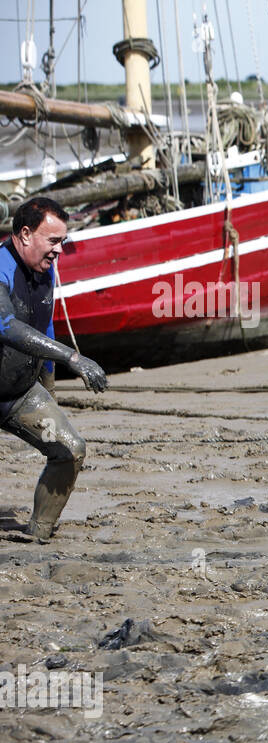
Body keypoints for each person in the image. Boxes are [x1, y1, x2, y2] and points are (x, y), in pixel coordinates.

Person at [0, 197, 108, 542]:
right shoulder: (0, 266)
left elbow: (43, 326)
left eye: (63, 241)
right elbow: (6, 327)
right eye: (53, 241)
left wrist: (49, 387)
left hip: (18, 393)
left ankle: (39, 533)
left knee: (69, 449)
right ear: (25, 234)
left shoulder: (46, 268)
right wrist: (72, 358)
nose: (59, 250)